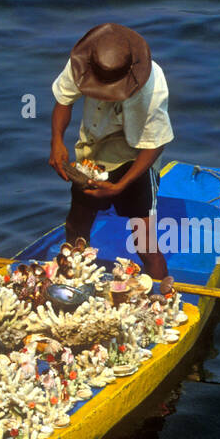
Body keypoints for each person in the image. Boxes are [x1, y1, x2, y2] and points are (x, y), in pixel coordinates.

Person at [47, 22, 172, 284]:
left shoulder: (151, 86)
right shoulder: (83, 62)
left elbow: (155, 143)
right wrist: (57, 141)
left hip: (135, 157)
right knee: (75, 227)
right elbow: (64, 100)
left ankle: (162, 298)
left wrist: (120, 186)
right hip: (93, 153)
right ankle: (76, 283)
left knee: (145, 241)